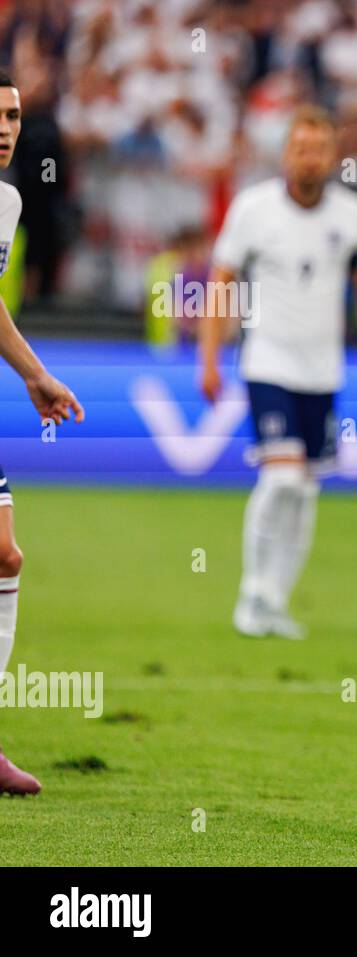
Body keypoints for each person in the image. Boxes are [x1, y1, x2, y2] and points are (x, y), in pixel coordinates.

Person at [199, 106, 357, 639]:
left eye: (319, 148)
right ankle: (252, 593)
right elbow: (222, 282)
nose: (309, 158)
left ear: (334, 155)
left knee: (305, 491)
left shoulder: (352, 214)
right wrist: (209, 357)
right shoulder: (253, 209)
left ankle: (276, 601)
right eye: (300, 147)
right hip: (267, 361)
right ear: (286, 153)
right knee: (281, 477)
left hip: (322, 369)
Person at [0, 69, 84, 795]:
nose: (5, 127)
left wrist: (33, 373)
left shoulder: (8, 200)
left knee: (4, 556)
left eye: (14, 115)